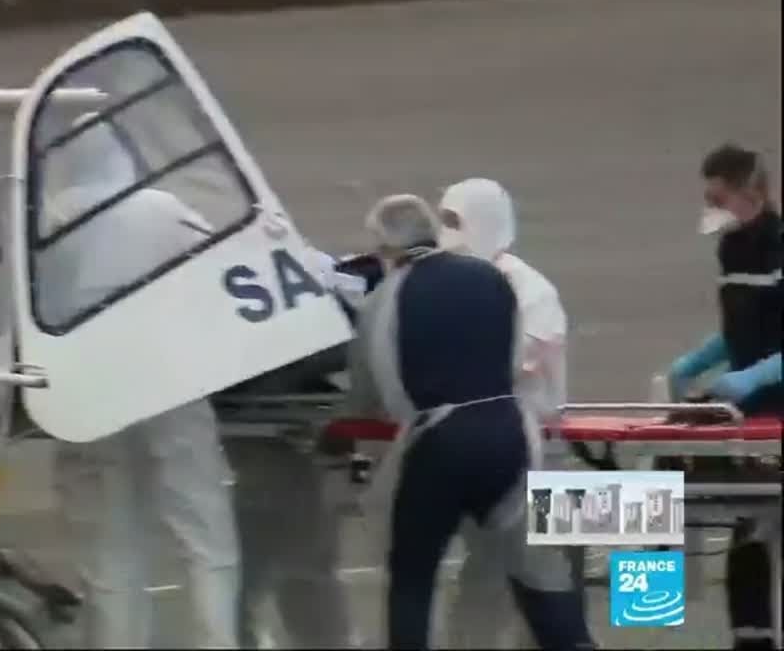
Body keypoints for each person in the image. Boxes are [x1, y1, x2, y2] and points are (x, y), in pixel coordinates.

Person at [347, 194, 594, 650]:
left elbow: (369, 394)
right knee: (535, 568)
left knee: (412, 576)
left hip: (439, 443)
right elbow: (515, 360)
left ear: (385, 248)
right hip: (510, 435)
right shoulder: (492, 278)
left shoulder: (386, 297)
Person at [41, 116, 240, 649]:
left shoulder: (51, 218)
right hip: (168, 383)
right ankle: (217, 640)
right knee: (205, 539)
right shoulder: (161, 209)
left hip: (90, 394)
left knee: (109, 551)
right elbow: (224, 266)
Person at [436, 178, 581, 649]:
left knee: (534, 583)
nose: (446, 232)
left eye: (454, 221)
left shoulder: (531, 291)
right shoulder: (456, 284)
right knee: (488, 579)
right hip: (489, 456)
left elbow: (516, 363)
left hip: (534, 459)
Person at [664, 144, 781, 650]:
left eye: (718, 198)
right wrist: (697, 362)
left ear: (751, 193)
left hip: (769, 400)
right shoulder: (731, 248)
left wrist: (754, 376)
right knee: (745, 525)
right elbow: (740, 326)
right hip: (750, 410)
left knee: (761, 519)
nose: (710, 209)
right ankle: (747, 638)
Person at [225, 246, 365, 650]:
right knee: (538, 573)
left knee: (279, 553)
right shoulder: (517, 291)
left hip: (537, 454)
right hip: (544, 448)